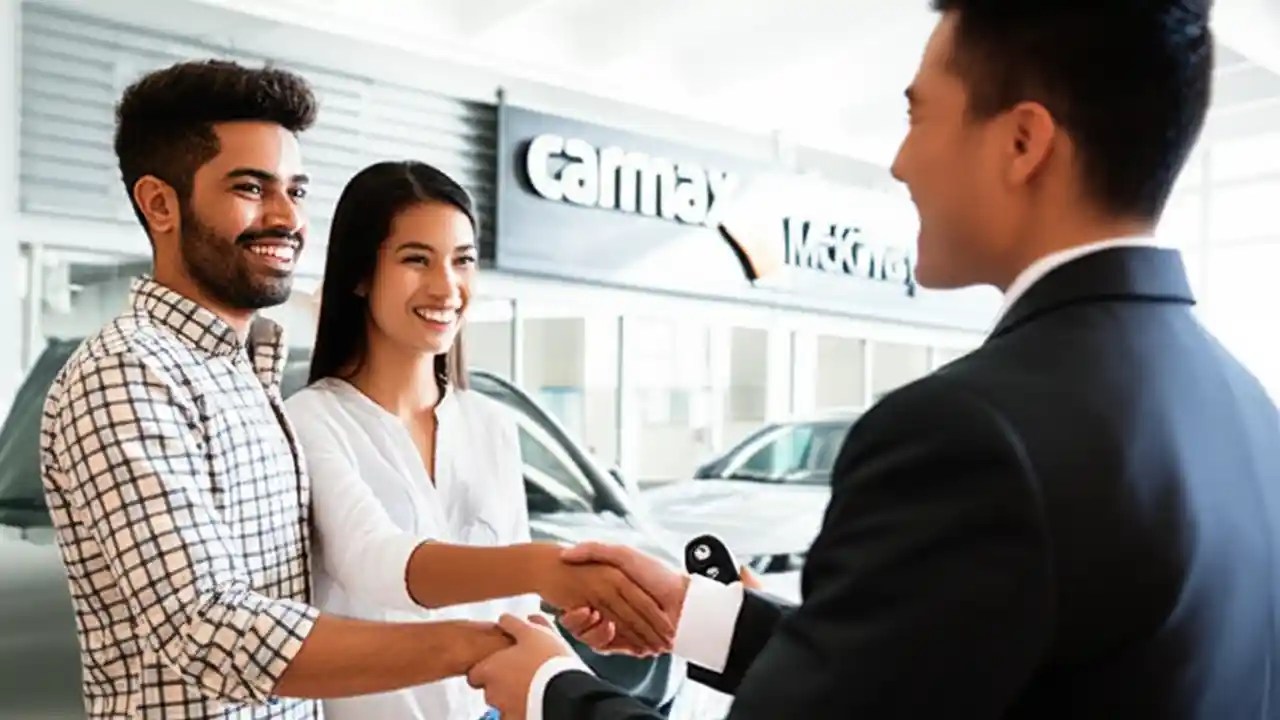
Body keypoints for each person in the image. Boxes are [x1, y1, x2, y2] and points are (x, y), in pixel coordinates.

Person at [467, 1, 1280, 718]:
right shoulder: (1248, 412)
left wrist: (550, 692)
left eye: (920, 117)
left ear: (1023, 140)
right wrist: (697, 615)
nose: (900, 162)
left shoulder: (967, 434)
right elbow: (969, 666)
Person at [36, 60, 670, 720]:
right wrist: (485, 642)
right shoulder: (128, 373)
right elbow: (210, 629)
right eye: (252, 188)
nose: (286, 217)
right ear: (160, 203)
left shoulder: (244, 377)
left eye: (296, 190)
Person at [282, 160, 673, 719]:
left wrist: (569, 618)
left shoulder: (492, 424)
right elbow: (375, 561)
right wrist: (544, 565)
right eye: (416, 259)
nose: (447, 286)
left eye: (462, 261)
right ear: (360, 274)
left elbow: (516, 608)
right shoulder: (310, 421)